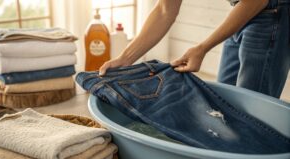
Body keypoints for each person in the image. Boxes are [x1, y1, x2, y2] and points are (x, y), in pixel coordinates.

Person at [99, 0, 290, 98]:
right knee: (224, 100)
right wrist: (126, 58)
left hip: (274, 10)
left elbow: (256, 1)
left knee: (252, 107)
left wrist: (203, 48)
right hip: (243, 7)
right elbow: (165, 10)